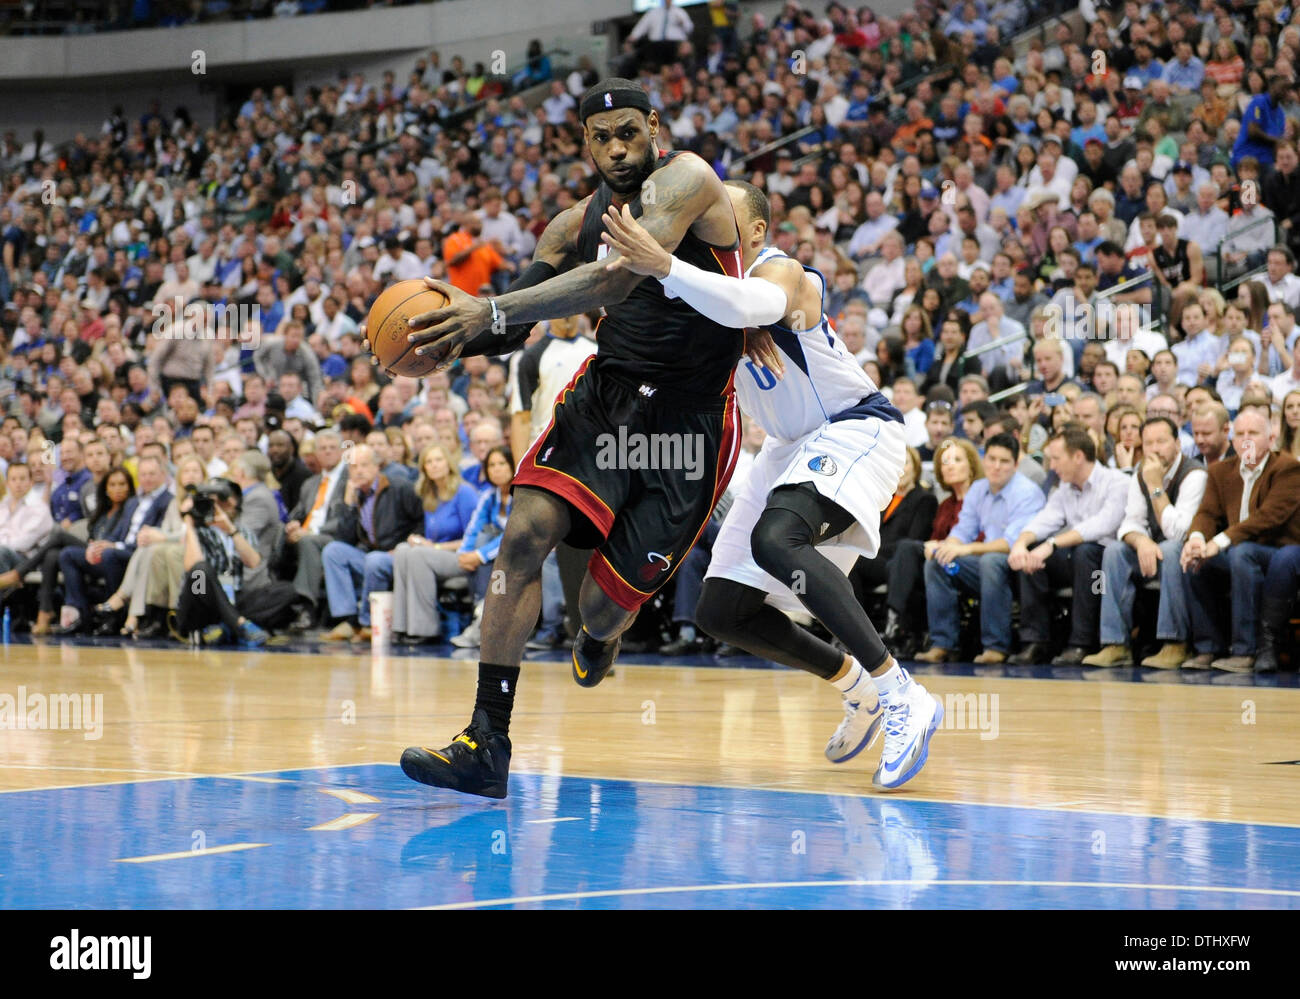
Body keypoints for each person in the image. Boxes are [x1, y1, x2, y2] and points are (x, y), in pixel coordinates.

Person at [389, 79, 754, 800]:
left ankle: (601, 633)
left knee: (597, 610)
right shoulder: (567, 226)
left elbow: (615, 279)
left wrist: (487, 307)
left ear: (654, 125)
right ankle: (484, 739)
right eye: (601, 136)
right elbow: (513, 327)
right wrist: (441, 332)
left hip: (690, 423)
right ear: (583, 142)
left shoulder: (689, 179)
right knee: (523, 535)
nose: (617, 148)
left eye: (628, 131)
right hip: (607, 396)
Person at [596, 180, 943, 790]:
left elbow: (750, 304)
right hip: (785, 449)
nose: (698, 215)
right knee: (722, 610)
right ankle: (856, 687)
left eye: (716, 210)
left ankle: (900, 692)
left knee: (776, 541)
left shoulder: (781, 272)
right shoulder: (701, 297)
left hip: (853, 426)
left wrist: (665, 266)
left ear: (753, 230)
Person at [1179, 409, 1300, 672]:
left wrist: (1221, 540)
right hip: (1238, 550)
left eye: (1253, 433)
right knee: (1194, 559)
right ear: (1232, 441)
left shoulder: (1288, 468)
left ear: (1271, 438)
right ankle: (1207, 647)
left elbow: (1269, 517)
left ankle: (1245, 651)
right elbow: (1207, 512)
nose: (1246, 440)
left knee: (1241, 553)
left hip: (1279, 552)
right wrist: (1197, 539)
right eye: (1240, 434)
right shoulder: (1220, 471)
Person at [1085, 416, 1208, 668]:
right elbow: (1130, 523)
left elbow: (1179, 531)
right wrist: (1141, 542)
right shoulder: (1141, 472)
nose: (1154, 449)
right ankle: (1115, 644)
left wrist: (1155, 486)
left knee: (1172, 548)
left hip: (1188, 554)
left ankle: (1175, 644)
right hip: (1152, 551)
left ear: (1177, 443)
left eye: (1161, 441)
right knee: (1115, 551)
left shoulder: (1194, 474)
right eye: (1148, 443)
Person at [915, 434, 1046, 663]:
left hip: (1019, 567)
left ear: (1015, 465)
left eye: (1004, 461)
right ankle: (943, 643)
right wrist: (949, 546)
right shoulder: (978, 488)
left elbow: (1011, 543)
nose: (996, 467)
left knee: (991, 561)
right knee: (939, 562)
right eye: (992, 459)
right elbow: (962, 530)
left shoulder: (1027, 492)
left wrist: (966, 550)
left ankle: (996, 646)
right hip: (983, 568)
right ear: (984, 461)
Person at [1006, 425, 1130, 664]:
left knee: (1087, 552)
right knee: (1034, 556)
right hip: (1077, 558)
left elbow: (1102, 526)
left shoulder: (1117, 482)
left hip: (1107, 570)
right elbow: (1044, 519)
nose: (1051, 466)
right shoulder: (1065, 488)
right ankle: (1036, 641)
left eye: (1056, 459)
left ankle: (1082, 643)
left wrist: (1052, 544)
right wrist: (1021, 544)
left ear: (1078, 457)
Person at [321, 444, 423, 643]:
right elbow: (344, 538)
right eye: (353, 467)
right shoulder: (354, 493)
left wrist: (405, 548)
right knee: (332, 551)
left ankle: (368, 622)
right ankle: (349, 620)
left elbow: (422, 520)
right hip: (371, 555)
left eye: (365, 465)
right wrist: (349, 505)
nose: (359, 471)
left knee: (374, 560)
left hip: (400, 555)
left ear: (377, 467)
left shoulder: (399, 487)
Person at [391, 444, 483, 646]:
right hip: (437, 555)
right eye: (429, 462)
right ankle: (402, 626)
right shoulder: (429, 495)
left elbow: (475, 538)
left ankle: (425, 628)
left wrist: (435, 548)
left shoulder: (464, 492)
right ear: (423, 469)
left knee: (418, 555)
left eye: (438, 460)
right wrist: (419, 542)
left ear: (448, 463)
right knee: (403, 551)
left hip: (463, 556)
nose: (434, 465)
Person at [172, 479, 270, 648]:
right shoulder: (196, 531)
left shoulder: (241, 530)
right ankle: (239, 624)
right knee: (200, 571)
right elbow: (192, 566)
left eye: (222, 502)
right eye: (211, 502)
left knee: (286, 592)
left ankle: (225, 625)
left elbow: (254, 562)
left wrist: (229, 529)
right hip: (199, 603)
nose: (216, 507)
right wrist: (188, 523)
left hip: (232, 598)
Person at [448, 446, 518, 649]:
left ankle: (481, 621)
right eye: (491, 465)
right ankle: (483, 617)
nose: (496, 469)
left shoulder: (523, 495)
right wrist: (465, 554)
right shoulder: (489, 496)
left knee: (485, 547)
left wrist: (478, 555)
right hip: (496, 559)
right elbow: (473, 528)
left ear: (513, 465)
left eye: (502, 464)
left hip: (521, 554)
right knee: (481, 539)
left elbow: (512, 535)